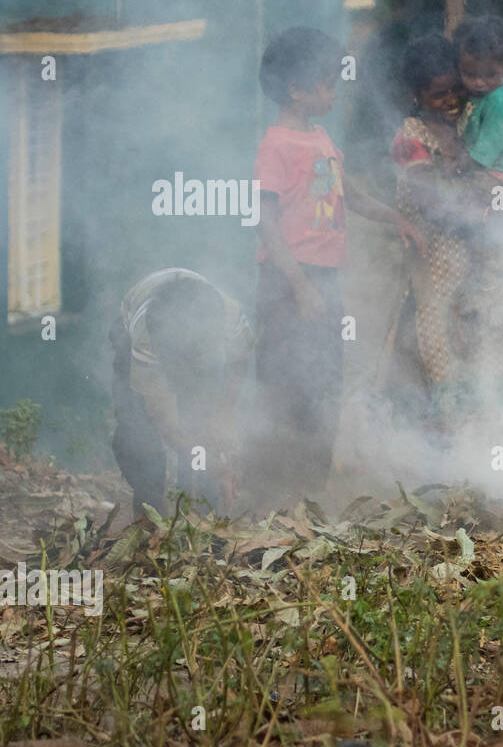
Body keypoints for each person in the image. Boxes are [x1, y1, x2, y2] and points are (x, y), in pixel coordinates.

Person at [250, 26, 423, 508]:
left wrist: (393, 217)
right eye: (326, 83)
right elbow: (262, 222)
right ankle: (272, 498)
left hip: (323, 280)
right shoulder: (276, 145)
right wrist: (301, 286)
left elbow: (348, 192)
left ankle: (309, 496)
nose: (333, 90)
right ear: (295, 90)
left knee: (325, 384)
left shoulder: (322, 137)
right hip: (287, 283)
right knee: (287, 384)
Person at [385, 33, 503, 423]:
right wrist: (476, 225)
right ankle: (452, 444)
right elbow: (429, 202)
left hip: (483, 253)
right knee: (439, 344)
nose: (450, 101)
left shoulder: (471, 119)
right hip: (437, 261)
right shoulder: (411, 137)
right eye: (437, 94)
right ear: (416, 94)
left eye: (455, 90)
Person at [110, 269, 252, 517]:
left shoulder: (229, 316)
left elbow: (239, 360)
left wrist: (224, 412)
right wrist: (216, 467)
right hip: (133, 337)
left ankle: (201, 513)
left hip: (194, 347)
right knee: (139, 433)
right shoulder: (146, 338)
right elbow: (167, 425)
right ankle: (149, 515)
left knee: (199, 423)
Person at [453, 15, 503, 199]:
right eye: (470, 75)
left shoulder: (499, 103)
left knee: (496, 213)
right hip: (487, 169)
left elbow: (487, 150)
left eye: (489, 75)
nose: (479, 83)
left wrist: (457, 168)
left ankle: (499, 223)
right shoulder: (476, 93)